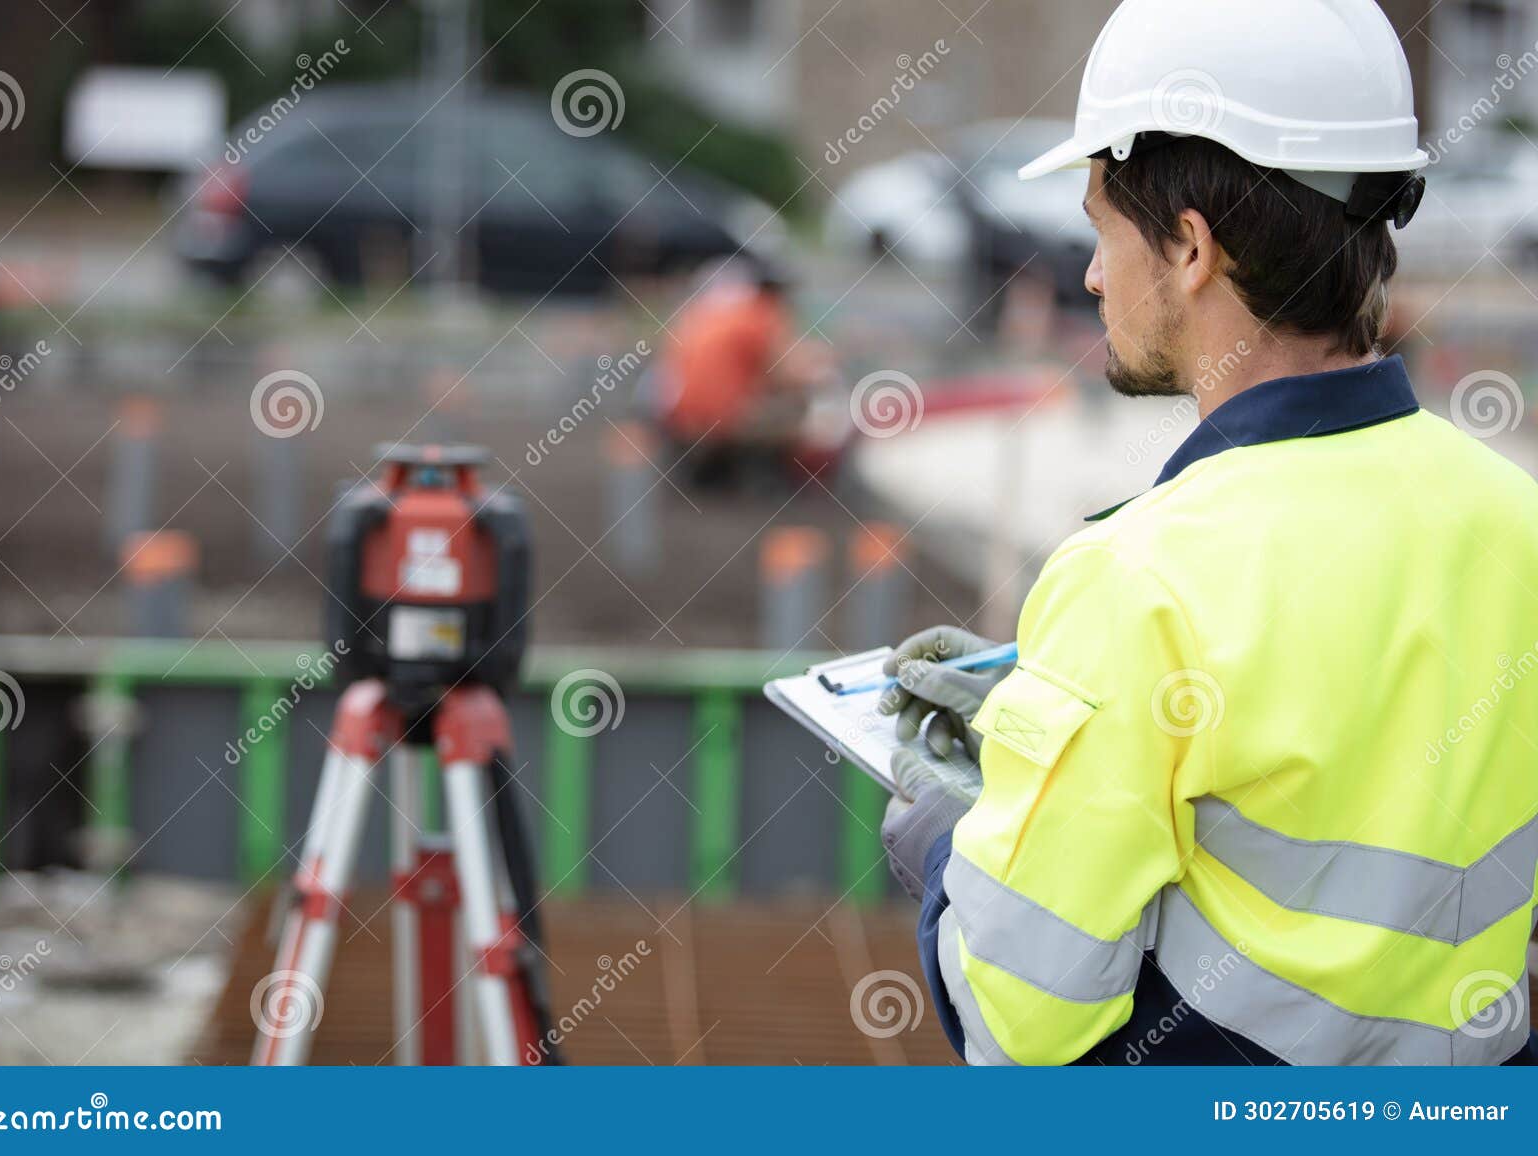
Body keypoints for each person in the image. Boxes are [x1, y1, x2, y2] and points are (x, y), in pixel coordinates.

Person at [879, 0, 1538, 1066]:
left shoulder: (1136, 580)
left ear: (1188, 245)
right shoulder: (1518, 519)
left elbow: (1021, 1028)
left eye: (1101, 225)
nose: (1091, 274)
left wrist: (954, 844)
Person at [656, 260, 833, 489]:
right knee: (806, 409)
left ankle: (719, 469)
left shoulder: (707, 311)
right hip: (719, 419)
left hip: (673, 412)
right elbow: (787, 371)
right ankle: (780, 480)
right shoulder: (762, 314)